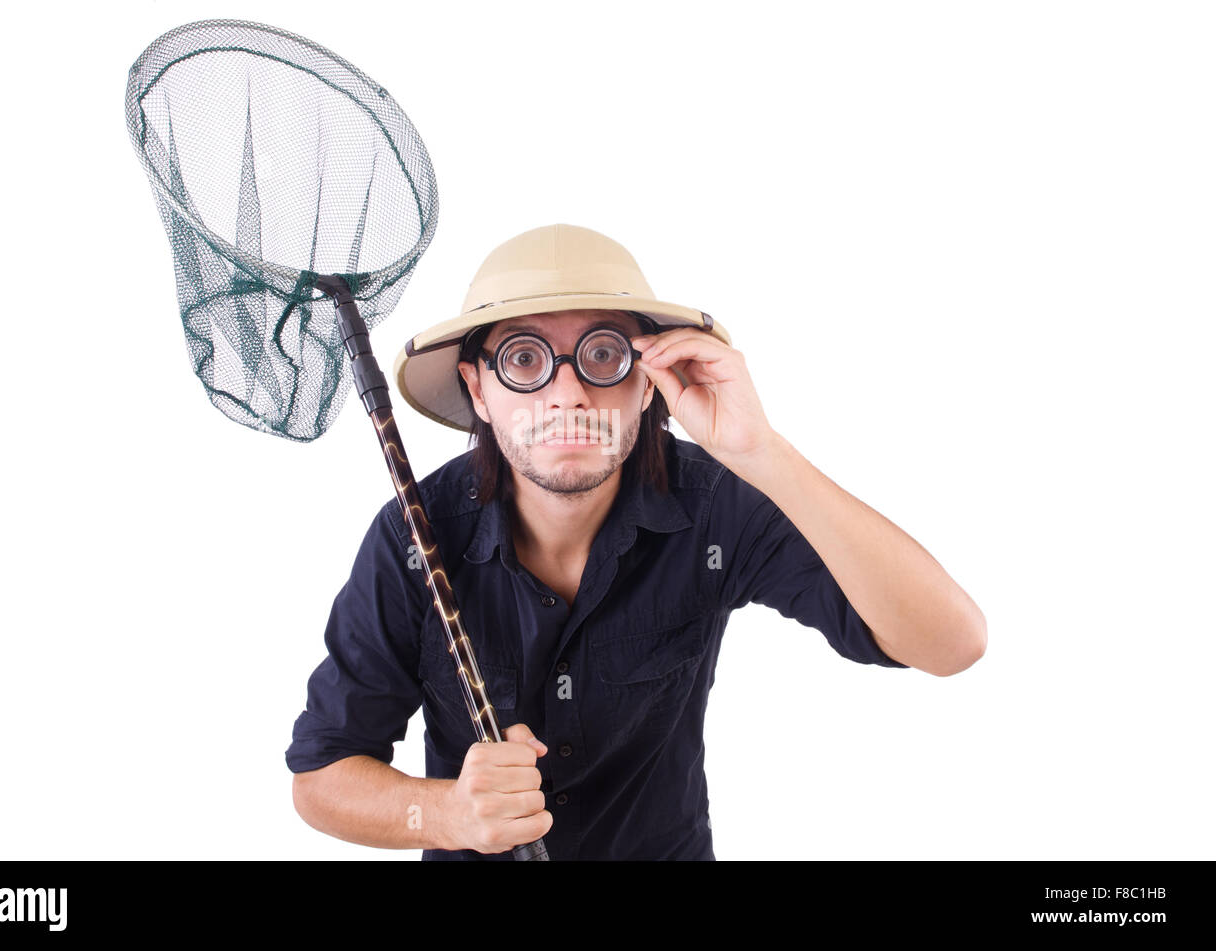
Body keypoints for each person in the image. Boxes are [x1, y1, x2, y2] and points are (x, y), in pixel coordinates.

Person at [286, 223, 987, 860]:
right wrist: (444, 815)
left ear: (648, 381)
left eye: (603, 354)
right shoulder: (414, 536)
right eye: (525, 359)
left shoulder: (714, 505)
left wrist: (765, 454)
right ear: (477, 387)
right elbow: (321, 777)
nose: (567, 394)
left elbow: (952, 642)